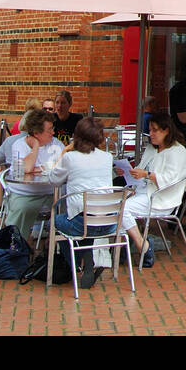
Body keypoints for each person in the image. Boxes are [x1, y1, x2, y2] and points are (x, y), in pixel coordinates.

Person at [46, 118, 117, 289]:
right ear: (99, 138)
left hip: (82, 223)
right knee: (87, 221)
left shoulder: (70, 157)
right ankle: (88, 263)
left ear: (76, 136)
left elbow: (53, 180)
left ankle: (75, 265)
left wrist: (64, 153)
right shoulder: (108, 157)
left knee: (54, 222)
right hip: (109, 223)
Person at [119, 114, 186, 266]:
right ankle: (123, 248)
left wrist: (147, 175)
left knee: (122, 209)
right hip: (143, 191)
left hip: (161, 197)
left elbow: (171, 179)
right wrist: (128, 172)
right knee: (115, 204)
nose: (151, 134)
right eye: (150, 130)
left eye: (155, 130)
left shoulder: (177, 151)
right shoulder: (152, 149)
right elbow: (141, 169)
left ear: (166, 131)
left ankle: (142, 245)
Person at [3, 107, 64, 244]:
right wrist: (35, 147)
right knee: (22, 209)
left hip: (51, 195)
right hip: (24, 194)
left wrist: (38, 168)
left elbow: (61, 167)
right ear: (36, 133)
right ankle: (16, 249)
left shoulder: (56, 144)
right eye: (49, 130)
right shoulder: (19, 145)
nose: (53, 132)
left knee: (69, 207)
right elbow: (27, 168)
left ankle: (58, 250)